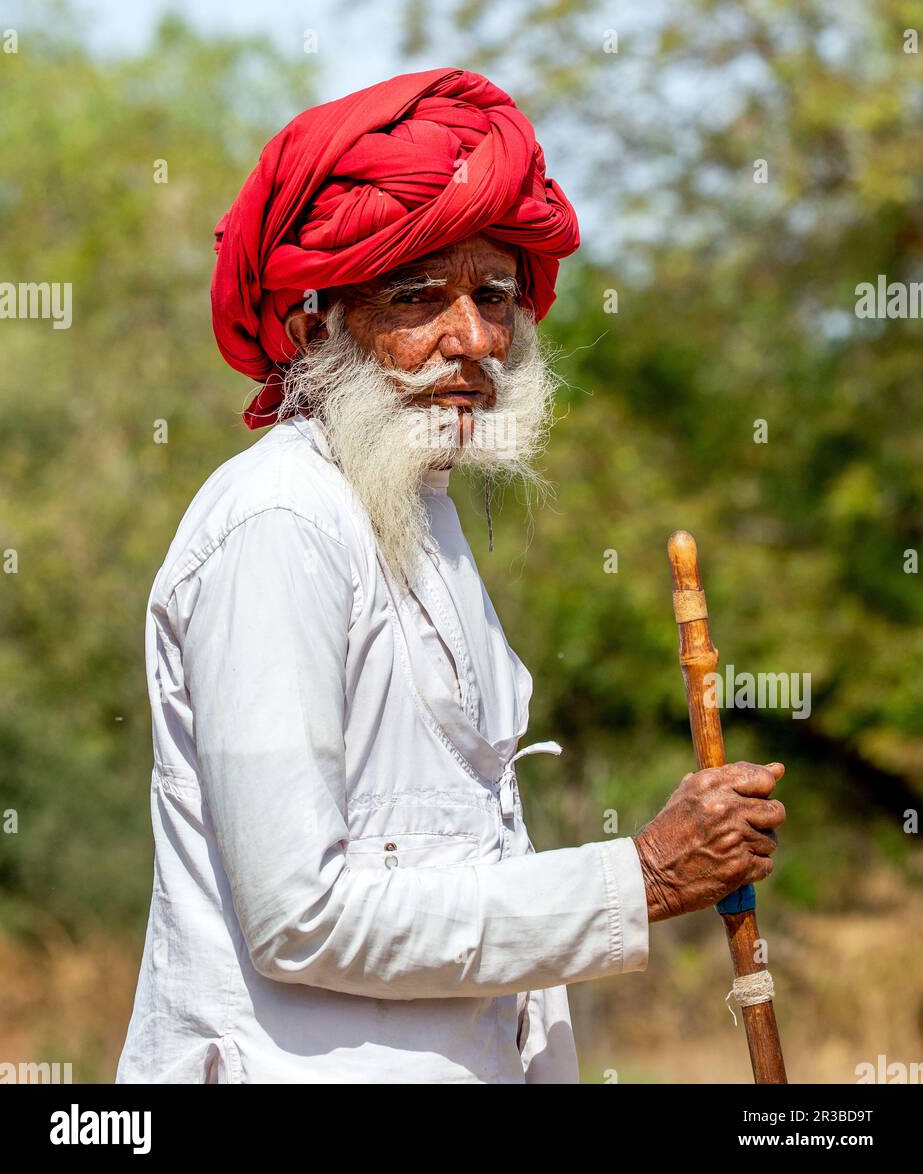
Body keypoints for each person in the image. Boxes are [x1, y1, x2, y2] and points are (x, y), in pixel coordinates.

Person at [115, 68, 785, 1084]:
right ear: (312, 325)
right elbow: (299, 916)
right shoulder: (279, 522)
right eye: (417, 297)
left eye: (493, 296)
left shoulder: (412, 503)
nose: (470, 339)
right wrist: (636, 875)